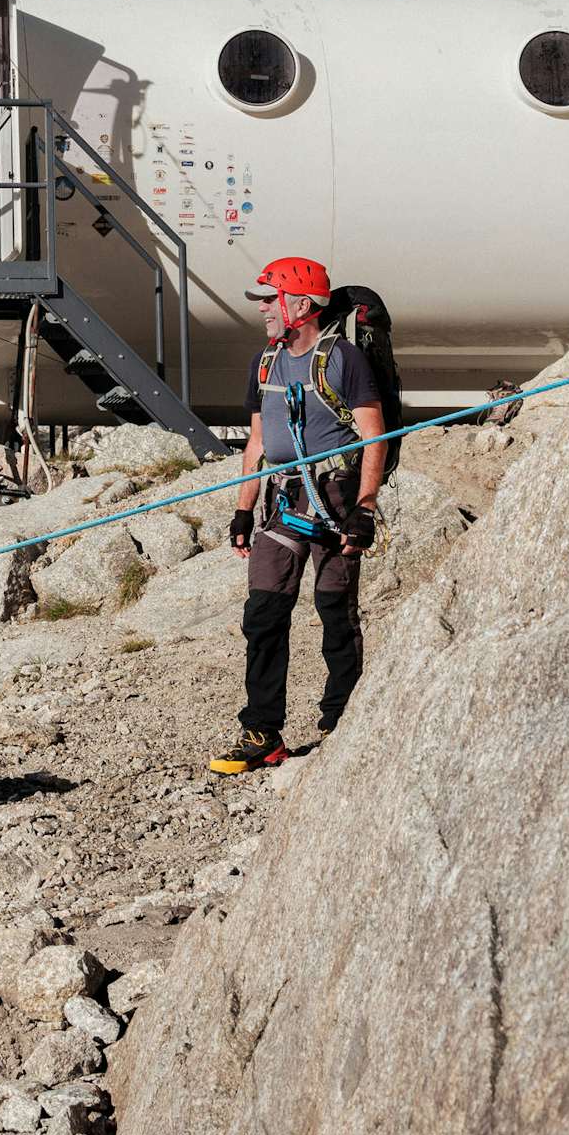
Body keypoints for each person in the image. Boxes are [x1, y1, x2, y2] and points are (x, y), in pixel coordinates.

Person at [208, 257, 386, 773]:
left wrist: (365, 509)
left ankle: (341, 719)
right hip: (282, 504)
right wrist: (243, 511)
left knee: (334, 610)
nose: (263, 308)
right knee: (262, 616)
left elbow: (374, 435)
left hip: (333, 502)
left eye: (270, 298)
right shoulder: (265, 361)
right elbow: (258, 442)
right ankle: (263, 732)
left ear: (301, 305)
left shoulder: (343, 359)